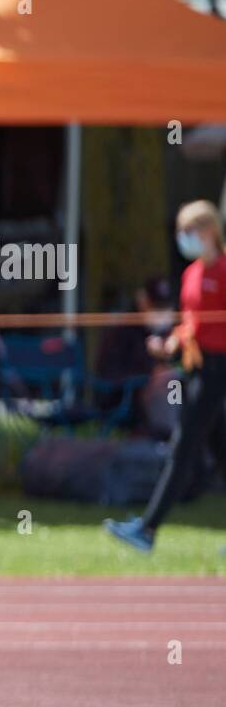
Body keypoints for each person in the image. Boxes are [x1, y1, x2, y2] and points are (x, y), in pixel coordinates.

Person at [105, 200, 226, 552]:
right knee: (218, 447)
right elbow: (189, 323)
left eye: (190, 232)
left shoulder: (223, 271)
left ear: (210, 232)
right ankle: (147, 527)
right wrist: (170, 343)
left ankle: (148, 527)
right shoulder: (191, 274)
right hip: (194, 367)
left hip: (218, 369)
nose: (184, 239)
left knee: (184, 445)